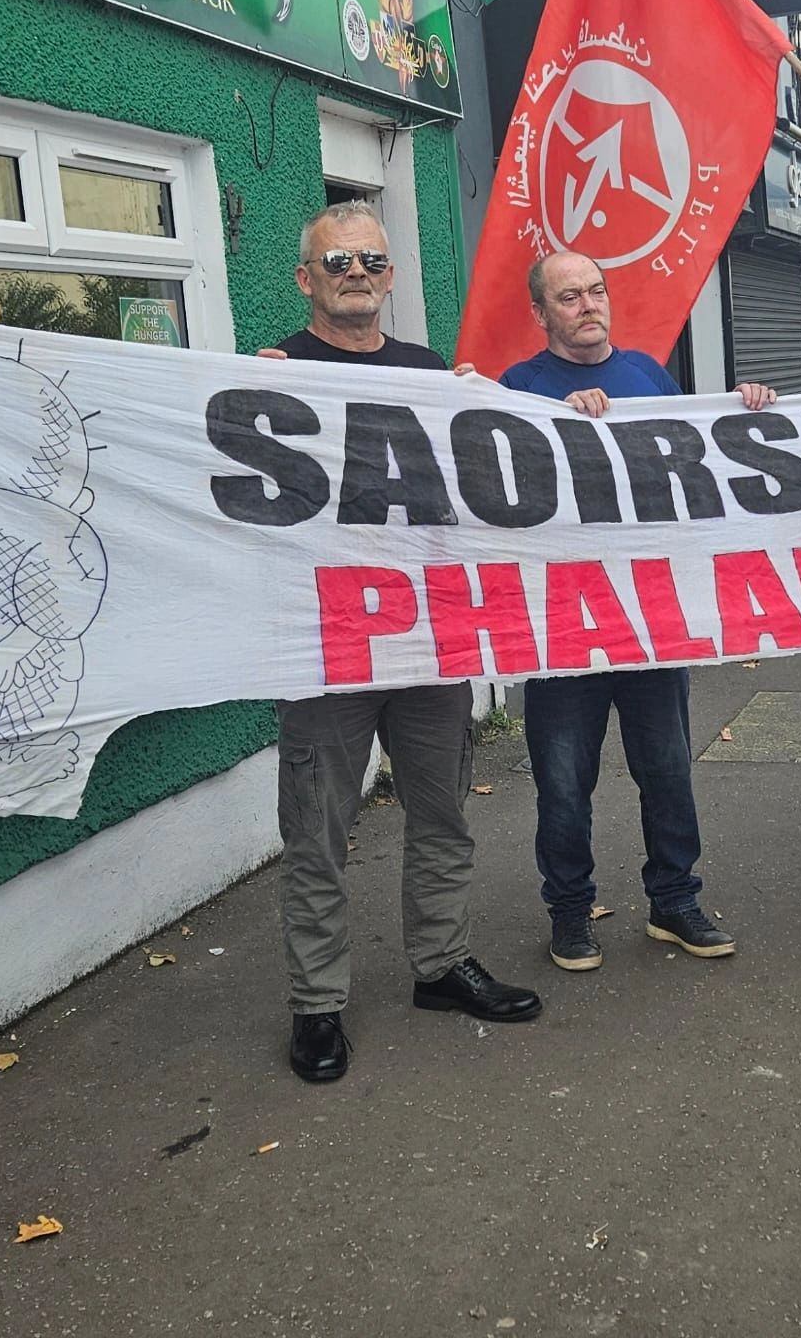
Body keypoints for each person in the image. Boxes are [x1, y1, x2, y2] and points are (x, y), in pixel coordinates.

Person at [260, 201, 541, 1084]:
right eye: (338, 261)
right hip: (327, 647)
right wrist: (231, 407)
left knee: (443, 815)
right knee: (317, 832)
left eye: (372, 261)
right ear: (306, 278)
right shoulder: (267, 375)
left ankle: (442, 965)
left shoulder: (428, 374)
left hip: (426, 640)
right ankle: (316, 1005)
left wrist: (484, 408)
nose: (357, 274)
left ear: (391, 277)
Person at [498, 250, 776, 972]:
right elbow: (500, 492)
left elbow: (693, 462)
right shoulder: (519, 389)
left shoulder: (649, 375)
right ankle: (569, 912)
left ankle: (674, 903)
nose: (588, 305)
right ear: (540, 312)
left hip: (652, 619)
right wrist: (558, 426)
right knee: (564, 781)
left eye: (596, 290)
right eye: (568, 297)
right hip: (563, 624)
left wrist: (742, 411)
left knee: (668, 771)